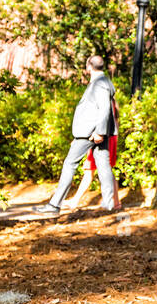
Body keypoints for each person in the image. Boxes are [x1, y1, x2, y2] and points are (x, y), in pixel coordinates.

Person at [35, 55, 120, 215]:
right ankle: (108, 206)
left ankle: (54, 205)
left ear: (89, 67)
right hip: (94, 133)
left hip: (90, 134)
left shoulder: (100, 84)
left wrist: (99, 132)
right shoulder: (102, 82)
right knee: (103, 167)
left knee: (69, 164)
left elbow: (104, 109)